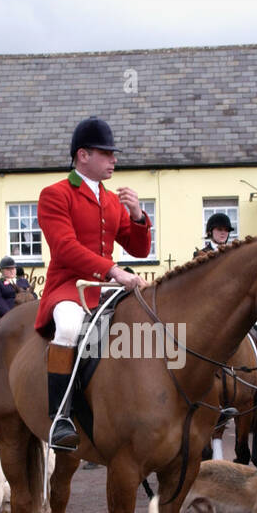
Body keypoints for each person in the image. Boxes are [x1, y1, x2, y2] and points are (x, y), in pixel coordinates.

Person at [35, 116, 152, 450]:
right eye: (106, 153)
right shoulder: (55, 194)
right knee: (70, 329)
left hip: (105, 289)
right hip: (68, 287)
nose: (113, 159)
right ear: (82, 155)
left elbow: (139, 248)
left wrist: (138, 216)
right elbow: (65, 248)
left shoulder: (113, 200)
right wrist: (114, 271)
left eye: (113, 154)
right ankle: (60, 417)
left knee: (145, 325)